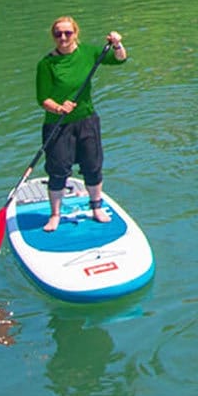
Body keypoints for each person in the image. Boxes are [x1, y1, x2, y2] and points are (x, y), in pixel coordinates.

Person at [36, 16, 127, 233]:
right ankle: (55, 214)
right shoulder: (46, 64)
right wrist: (59, 108)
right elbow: (43, 98)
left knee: (93, 166)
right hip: (58, 124)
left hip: (86, 120)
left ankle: (96, 207)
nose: (63, 37)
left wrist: (117, 44)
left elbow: (120, 59)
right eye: (58, 34)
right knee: (58, 170)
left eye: (68, 33)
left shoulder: (88, 52)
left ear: (75, 33)